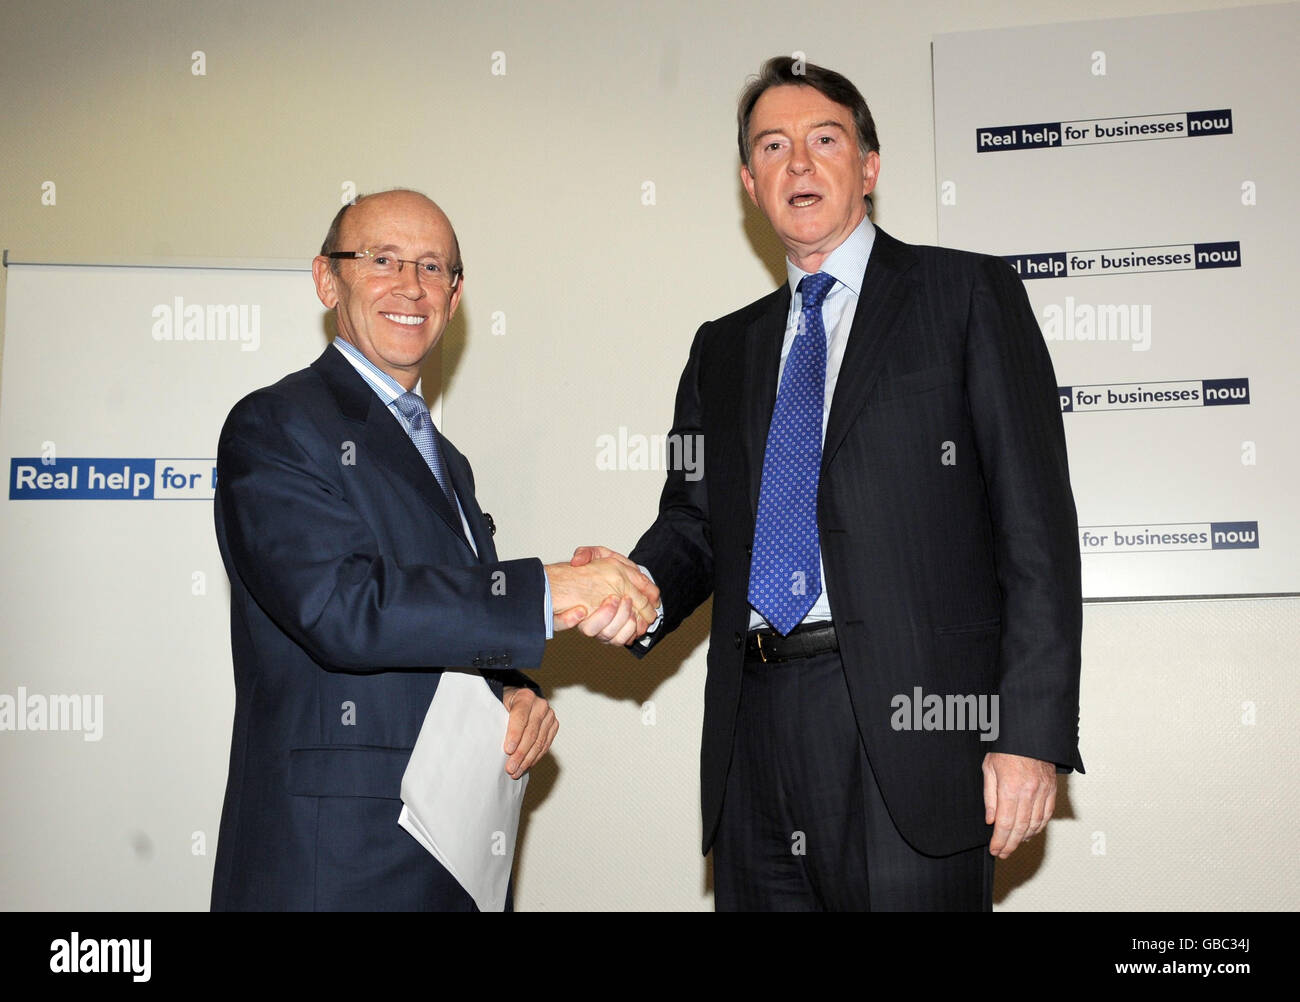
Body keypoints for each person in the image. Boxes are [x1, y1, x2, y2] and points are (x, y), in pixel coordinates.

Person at [573, 57, 1084, 911]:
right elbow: (694, 520)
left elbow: (1035, 530)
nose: (799, 164)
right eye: (773, 146)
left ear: (868, 167)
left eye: (824, 140)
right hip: (755, 734)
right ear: (749, 181)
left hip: (919, 732)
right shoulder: (721, 348)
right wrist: (635, 590)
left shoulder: (965, 294)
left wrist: (1028, 735)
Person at [210, 188, 658, 911]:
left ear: (454, 298)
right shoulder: (274, 424)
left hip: (453, 861)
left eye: (432, 267)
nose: (410, 286)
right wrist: (548, 589)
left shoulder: (447, 462)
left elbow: (448, 630)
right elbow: (342, 608)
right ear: (328, 279)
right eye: (382, 260)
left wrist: (515, 694)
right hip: (334, 865)